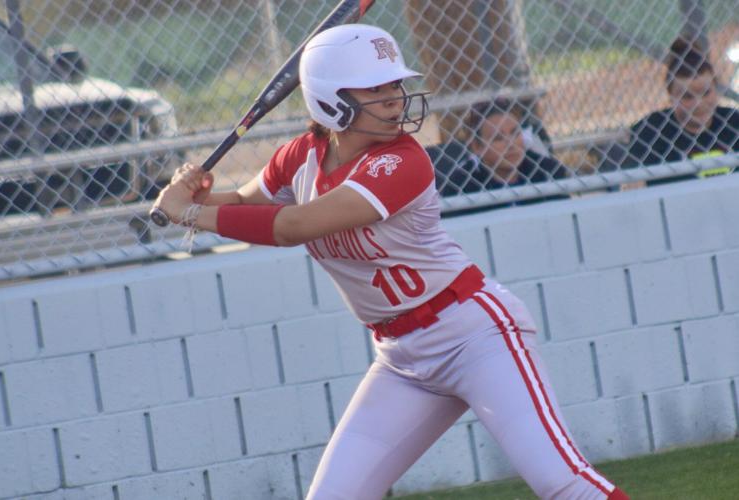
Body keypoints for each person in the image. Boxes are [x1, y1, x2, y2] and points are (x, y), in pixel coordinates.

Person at [152, 24, 627, 500]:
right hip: (400, 358)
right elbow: (243, 203)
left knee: (563, 483)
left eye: (395, 85)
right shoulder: (299, 156)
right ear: (329, 99)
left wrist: (191, 213)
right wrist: (192, 190)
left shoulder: (403, 160)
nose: (395, 98)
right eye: (376, 88)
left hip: (473, 336)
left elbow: (291, 227)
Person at [623, 37, 739, 185]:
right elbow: (632, 188)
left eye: (706, 93)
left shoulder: (733, 123)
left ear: (716, 88)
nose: (698, 104)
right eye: (687, 96)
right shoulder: (651, 131)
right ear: (671, 95)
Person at [434, 98, 570, 204]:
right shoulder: (461, 185)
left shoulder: (548, 170)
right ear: (477, 147)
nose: (511, 144)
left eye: (515, 133)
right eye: (498, 138)